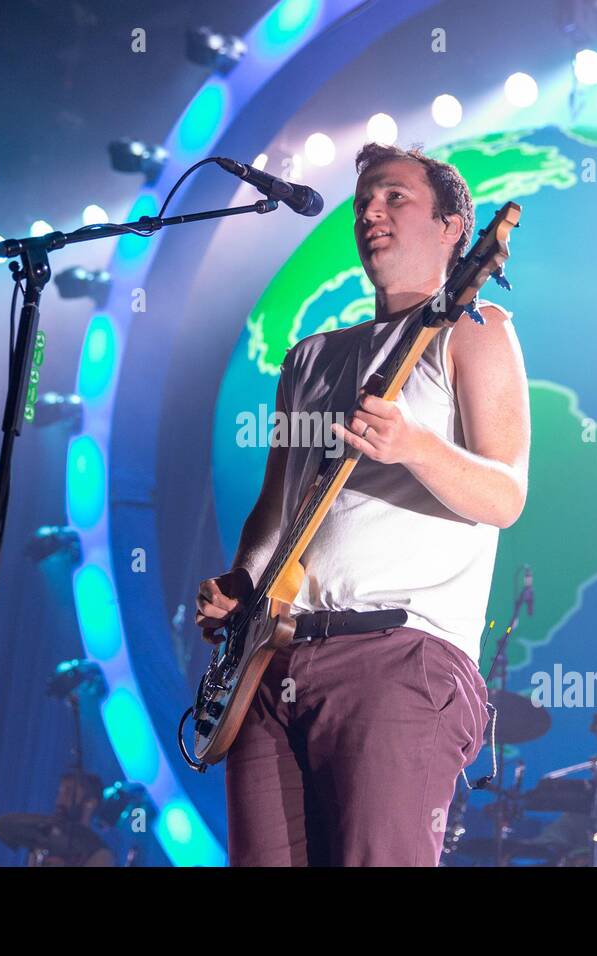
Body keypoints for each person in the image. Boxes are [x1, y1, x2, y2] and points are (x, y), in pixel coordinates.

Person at [195, 143, 530, 866]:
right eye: (362, 202)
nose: (369, 212)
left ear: (453, 226)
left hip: (399, 656)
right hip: (271, 660)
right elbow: (274, 507)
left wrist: (415, 445)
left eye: (394, 197)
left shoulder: (477, 333)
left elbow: (504, 495)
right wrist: (242, 587)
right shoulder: (310, 357)